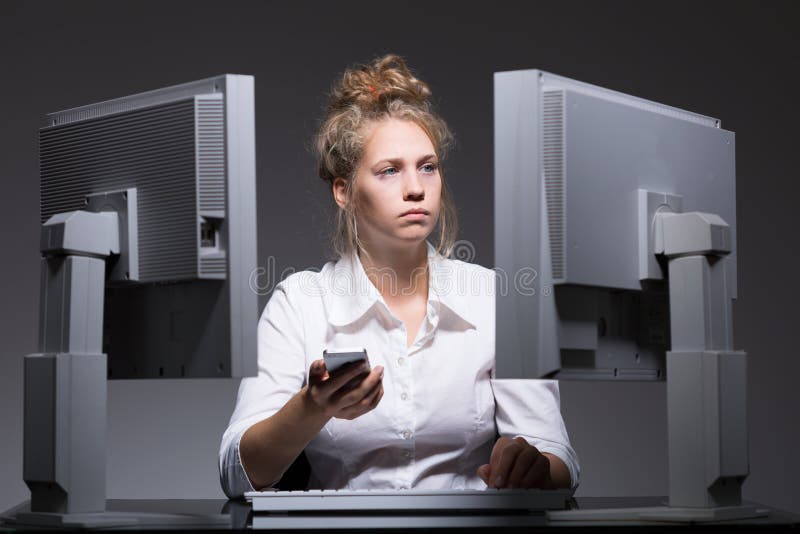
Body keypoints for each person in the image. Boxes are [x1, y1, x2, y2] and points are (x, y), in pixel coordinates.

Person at [219, 54, 579, 498]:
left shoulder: (497, 298)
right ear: (344, 191)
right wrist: (311, 408)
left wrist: (535, 467)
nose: (415, 187)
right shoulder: (299, 303)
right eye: (390, 170)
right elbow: (237, 475)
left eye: (427, 166)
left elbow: (559, 458)